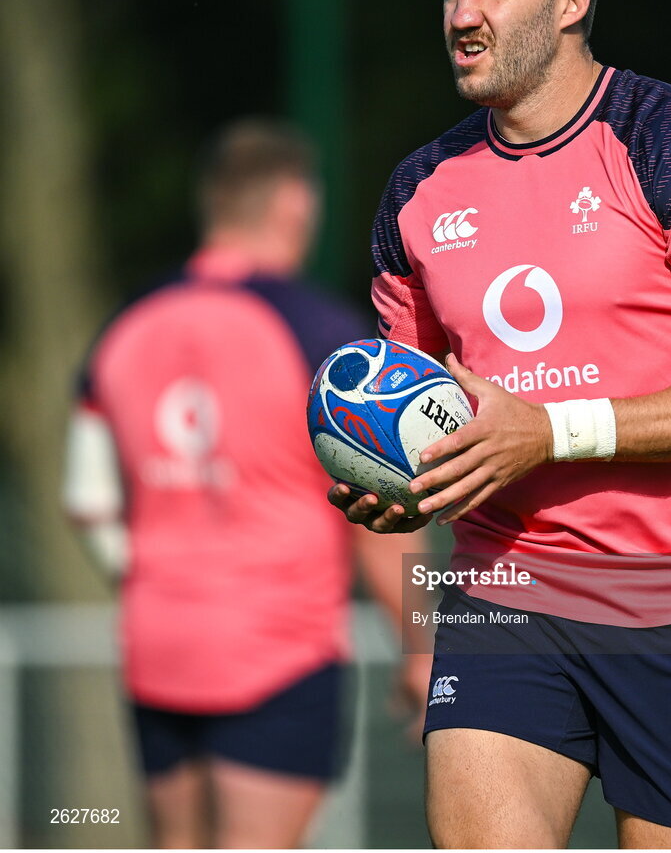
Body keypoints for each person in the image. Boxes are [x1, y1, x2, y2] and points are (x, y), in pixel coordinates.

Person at [331, 0, 671, 850]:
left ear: (568, 2)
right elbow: (404, 406)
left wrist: (549, 429)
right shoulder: (419, 191)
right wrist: (388, 484)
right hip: (504, 592)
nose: (460, 15)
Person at [62, 120, 430, 849]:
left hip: (158, 647)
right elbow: (379, 507)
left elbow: (87, 501)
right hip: (277, 654)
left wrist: (159, 579)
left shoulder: (124, 326)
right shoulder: (321, 336)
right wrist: (419, 647)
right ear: (295, 203)